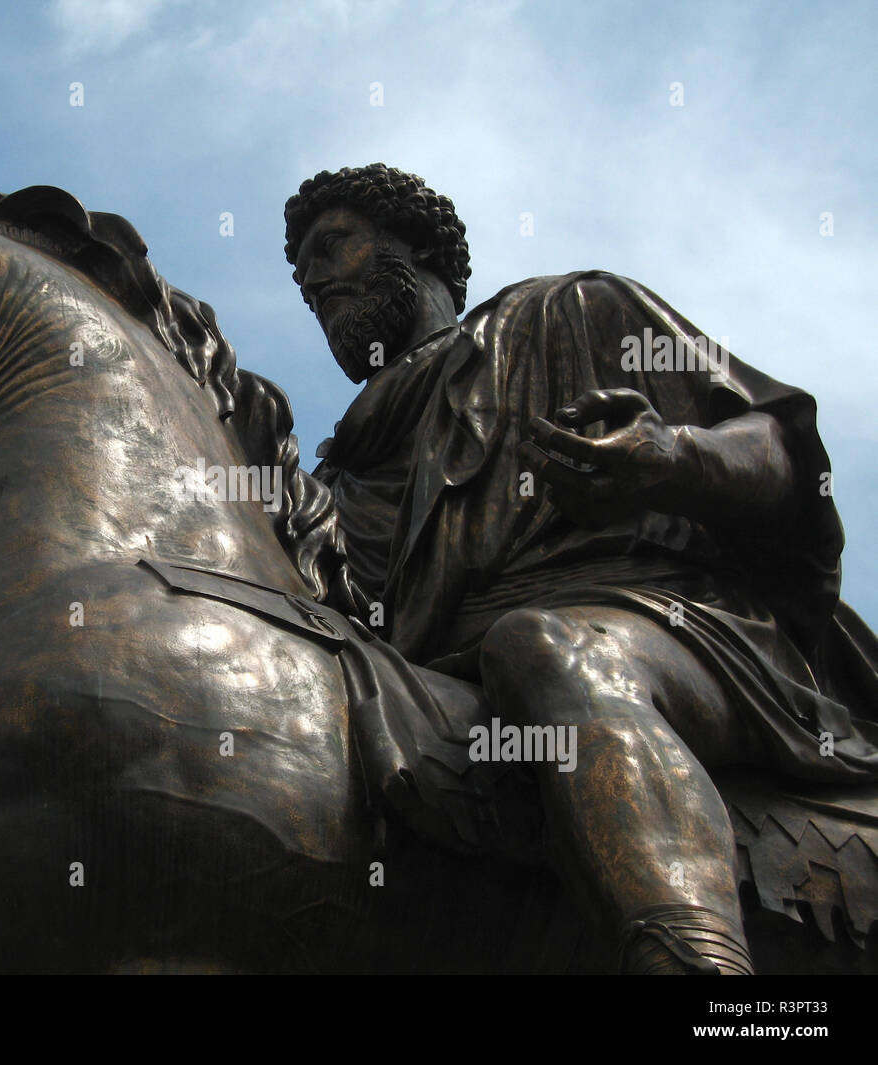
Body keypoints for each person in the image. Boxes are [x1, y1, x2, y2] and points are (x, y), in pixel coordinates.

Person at [283, 163, 878, 973]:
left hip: (663, 627)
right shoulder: (329, 490)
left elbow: (782, 456)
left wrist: (671, 457)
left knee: (547, 649)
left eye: (332, 245)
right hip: (442, 684)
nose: (312, 279)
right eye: (299, 271)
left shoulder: (567, 311)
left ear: (415, 248)